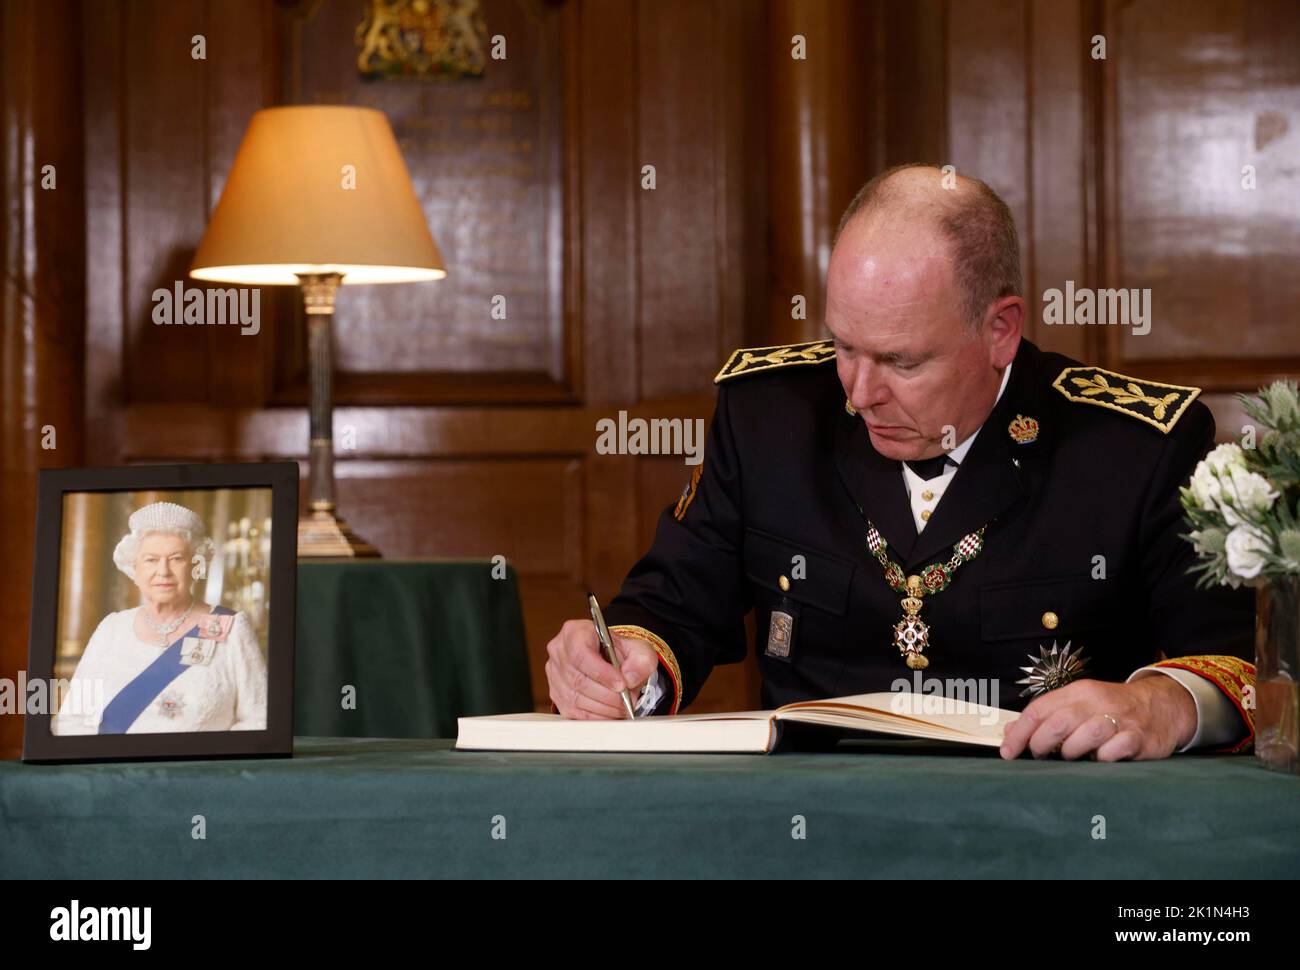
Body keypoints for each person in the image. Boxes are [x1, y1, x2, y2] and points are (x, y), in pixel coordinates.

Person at [544, 164, 1255, 761]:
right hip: (804, 833)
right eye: (844, 347)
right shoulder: (770, 419)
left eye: (901, 361)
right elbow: (670, 605)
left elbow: (1236, 664)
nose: (858, 393)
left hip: (1047, 828)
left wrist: (1159, 705)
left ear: (1000, 330)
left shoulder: (1135, 449)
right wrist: (627, 666)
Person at [52, 501, 267, 735]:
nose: (163, 571)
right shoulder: (112, 628)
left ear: (196, 565)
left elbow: (259, 718)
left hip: (201, 770)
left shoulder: (231, 627)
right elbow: (72, 719)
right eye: (151, 560)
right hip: (116, 770)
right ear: (135, 568)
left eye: (176, 558)